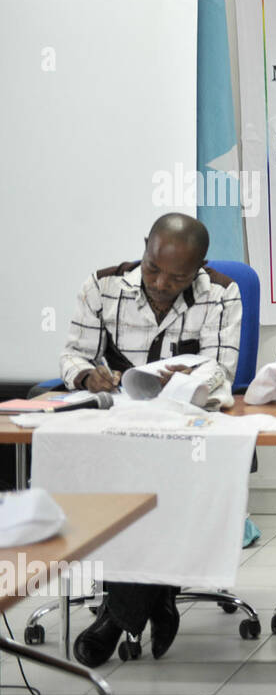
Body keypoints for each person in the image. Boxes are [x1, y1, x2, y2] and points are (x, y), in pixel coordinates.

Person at [62, 213, 241, 667]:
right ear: (144, 249)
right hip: (117, 430)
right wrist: (86, 374)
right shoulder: (101, 286)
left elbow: (221, 371)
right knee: (126, 489)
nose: (161, 284)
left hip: (185, 431)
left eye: (177, 276)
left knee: (158, 487)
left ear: (199, 267)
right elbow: (74, 354)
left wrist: (180, 385)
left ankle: (117, 616)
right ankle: (157, 597)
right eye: (153, 268)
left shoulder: (221, 292)